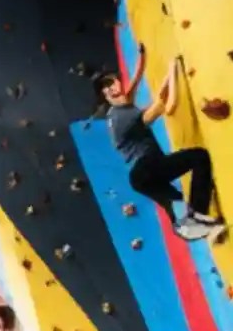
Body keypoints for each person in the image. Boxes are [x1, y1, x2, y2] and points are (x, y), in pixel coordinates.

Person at [93, 48, 221, 241]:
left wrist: (144, 58)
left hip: (139, 177)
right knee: (199, 156)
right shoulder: (125, 116)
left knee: (176, 200)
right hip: (148, 166)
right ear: (107, 96)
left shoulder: (118, 111)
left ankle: (193, 226)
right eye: (109, 86)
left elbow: (135, 82)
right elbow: (166, 105)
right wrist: (173, 70)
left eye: (114, 81)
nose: (116, 86)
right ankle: (197, 216)